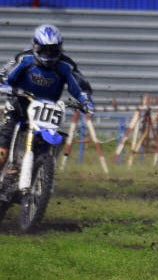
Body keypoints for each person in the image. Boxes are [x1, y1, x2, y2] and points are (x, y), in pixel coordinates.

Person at [0, 24, 94, 172]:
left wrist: (86, 100)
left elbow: (79, 86)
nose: (48, 54)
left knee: (51, 140)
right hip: (20, 102)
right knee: (5, 138)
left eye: (53, 50)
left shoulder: (66, 66)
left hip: (46, 109)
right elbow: (5, 74)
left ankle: (40, 173)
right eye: (44, 49)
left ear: (60, 48)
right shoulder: (24, 58)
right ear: (36, 45)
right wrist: (5, 85)